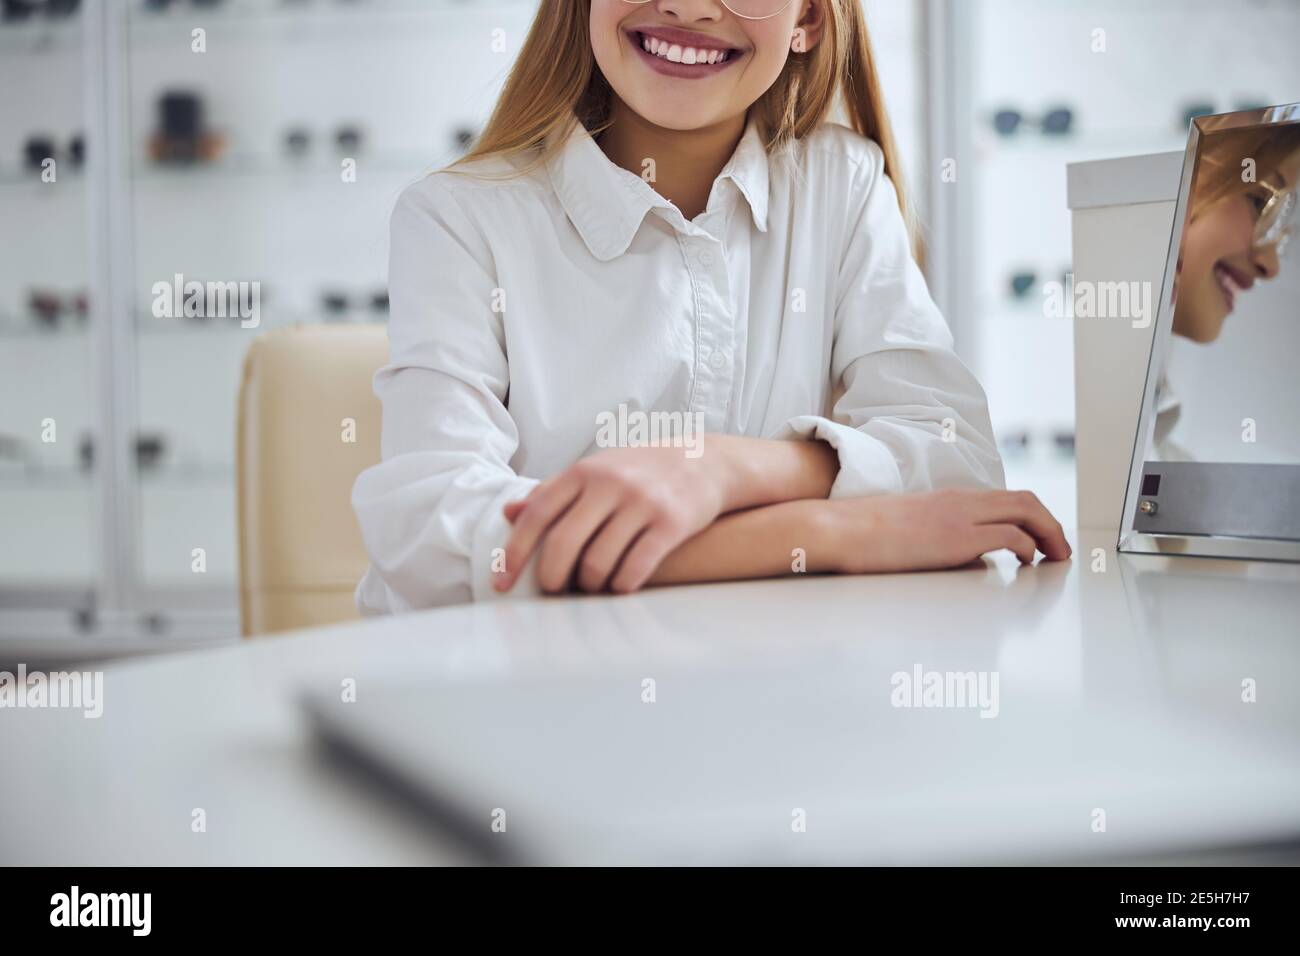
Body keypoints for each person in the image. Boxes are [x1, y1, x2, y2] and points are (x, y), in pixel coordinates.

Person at [352, 0, 1070, 613]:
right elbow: (431, 534)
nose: (691, 6)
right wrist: (826, 534)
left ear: (810, 18)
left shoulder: (842, 185)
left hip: (763, 702)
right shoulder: (457, 217)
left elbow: (957, 458)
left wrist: (724, 470)